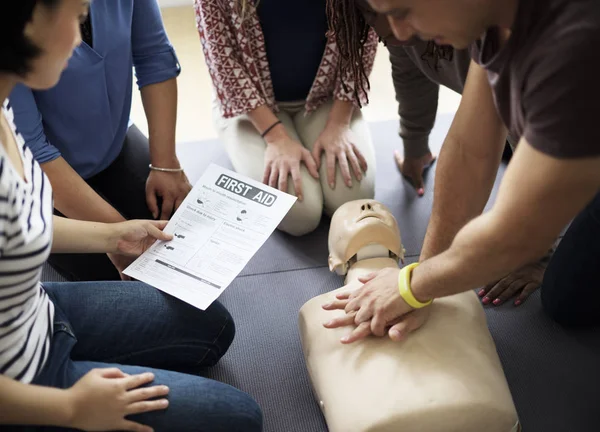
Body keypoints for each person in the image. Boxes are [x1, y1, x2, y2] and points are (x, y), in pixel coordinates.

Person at [0, 1, 263, 431]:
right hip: (23, 381)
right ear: (26, 21)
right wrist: (69, 408)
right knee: (241, 419)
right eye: (76, 16)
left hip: (39, 312)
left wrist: (113, 237)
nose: (83, 35)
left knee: (212, 324)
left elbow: (19, 226)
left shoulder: (4, 107)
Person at [323, 0, 600, 338]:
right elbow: (470, 152)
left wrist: (413, 287)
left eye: (403, 11)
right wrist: (420, 280)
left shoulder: (576, 44)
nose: (399, 33)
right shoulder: (490, 18)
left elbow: (520, 235)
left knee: (564, 301)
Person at [9, 0, 192, 283]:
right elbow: (31, 151)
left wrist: (166, 164)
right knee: (126, 278)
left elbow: (154, 55)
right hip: (42, 176)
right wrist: (116, 238)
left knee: (180, 232)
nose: (77, 40)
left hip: (114, 144)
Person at [194, 0, 379, 236]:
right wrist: (276, 138)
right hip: (250, 107)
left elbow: (364, 39)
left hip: (328, 96)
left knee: (353, 198)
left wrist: (339, 124)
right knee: (299, 215)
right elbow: (222, 60)